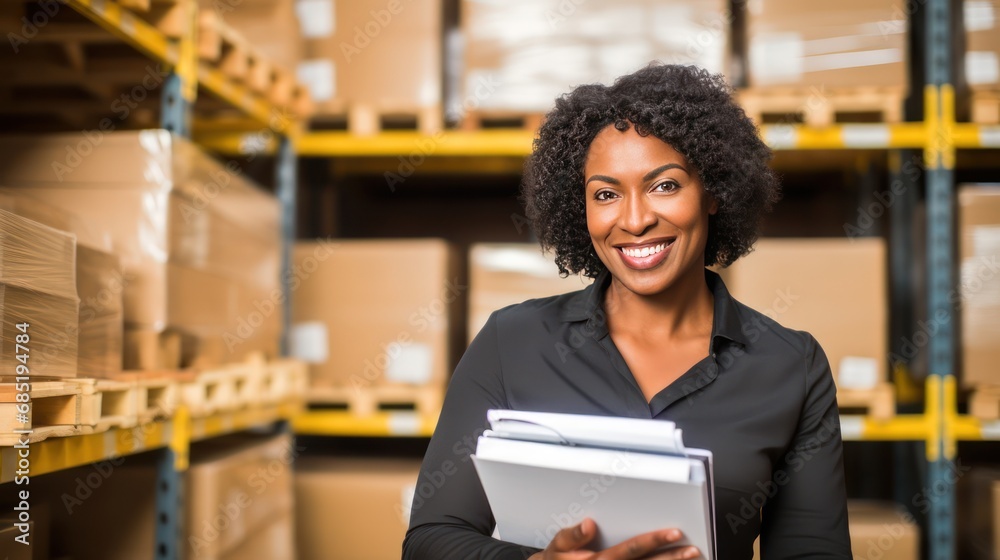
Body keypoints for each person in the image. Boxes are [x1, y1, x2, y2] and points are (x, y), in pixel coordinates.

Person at [402, 64, 851, 560]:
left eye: (664, 186)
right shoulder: (512, 343)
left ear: (714, 192)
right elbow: (431, 539)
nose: (635, 220)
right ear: (581, 209)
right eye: (606, 194)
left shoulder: (791, 366)